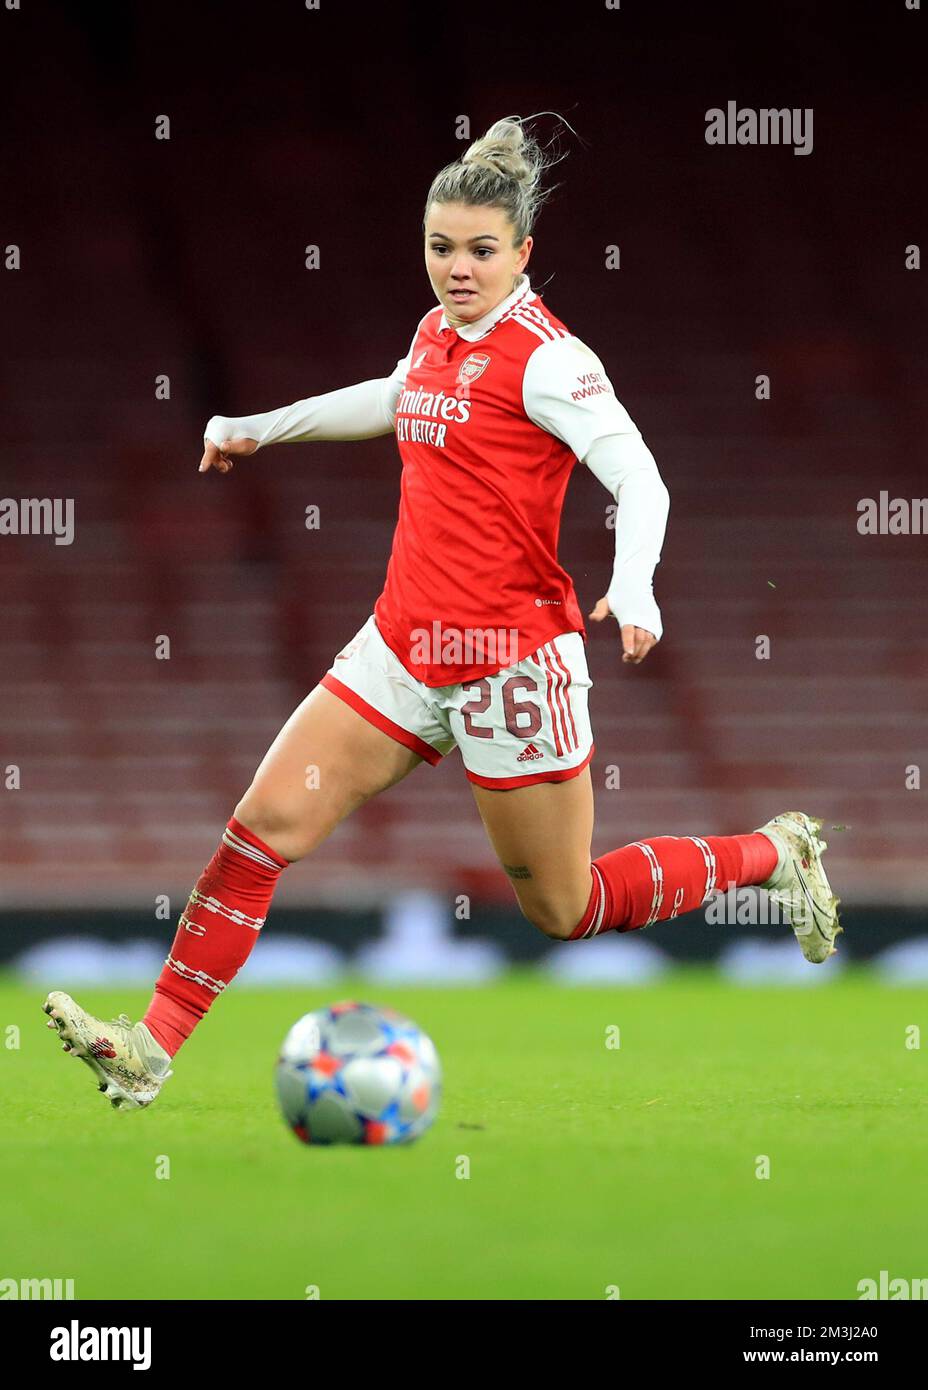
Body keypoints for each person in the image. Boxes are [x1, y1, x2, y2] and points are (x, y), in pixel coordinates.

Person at [44, 115, 841, 1110]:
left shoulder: (551, 359)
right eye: (439, 248)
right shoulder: (435, 332)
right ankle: (150, 1045)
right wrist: (259, 427)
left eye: (478, 251)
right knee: (260, 829)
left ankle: (774, 853)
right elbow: (396, 395)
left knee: (563, 904)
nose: (456, 269)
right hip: (402, 643)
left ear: (523, 254)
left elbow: (639, 476)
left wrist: (633, 582)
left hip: (512, 662)